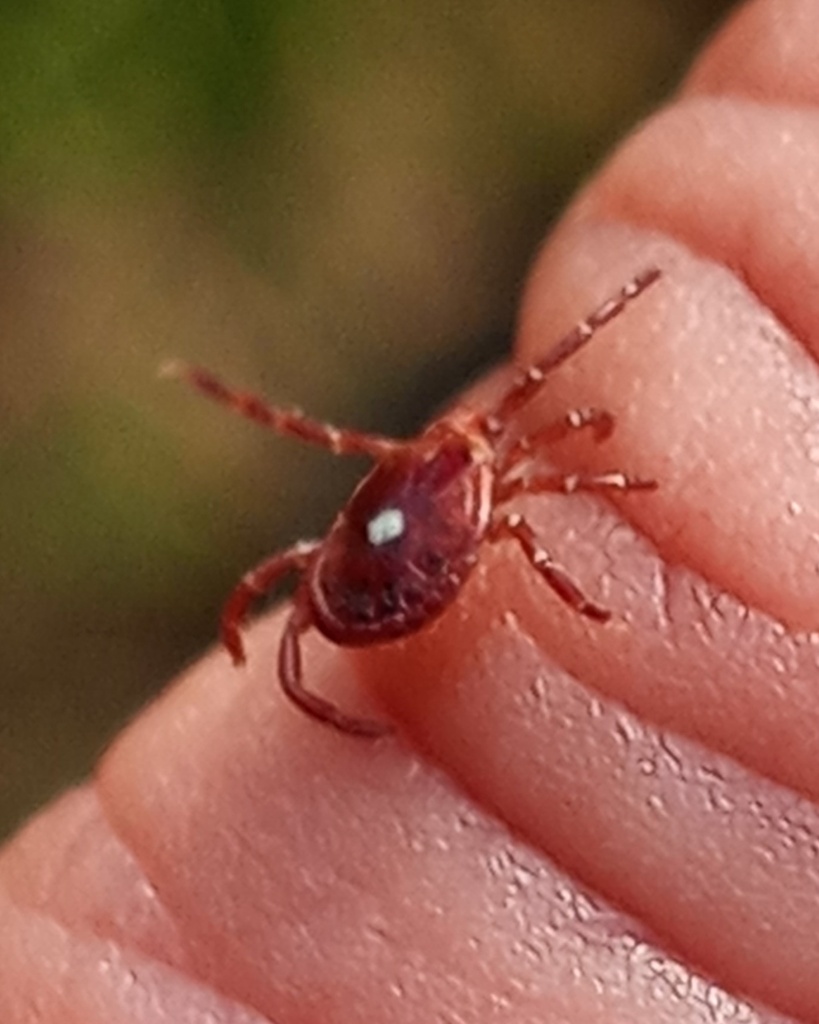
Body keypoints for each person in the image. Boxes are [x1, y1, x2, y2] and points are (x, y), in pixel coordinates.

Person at [1, 0, 815, 1018]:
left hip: (390, 558)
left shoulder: (433, 486)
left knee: (410, 509)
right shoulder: (493, 487)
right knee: (517, 485)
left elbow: (343, 520)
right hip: (406, 554)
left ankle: (286, 641)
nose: (471, 433)